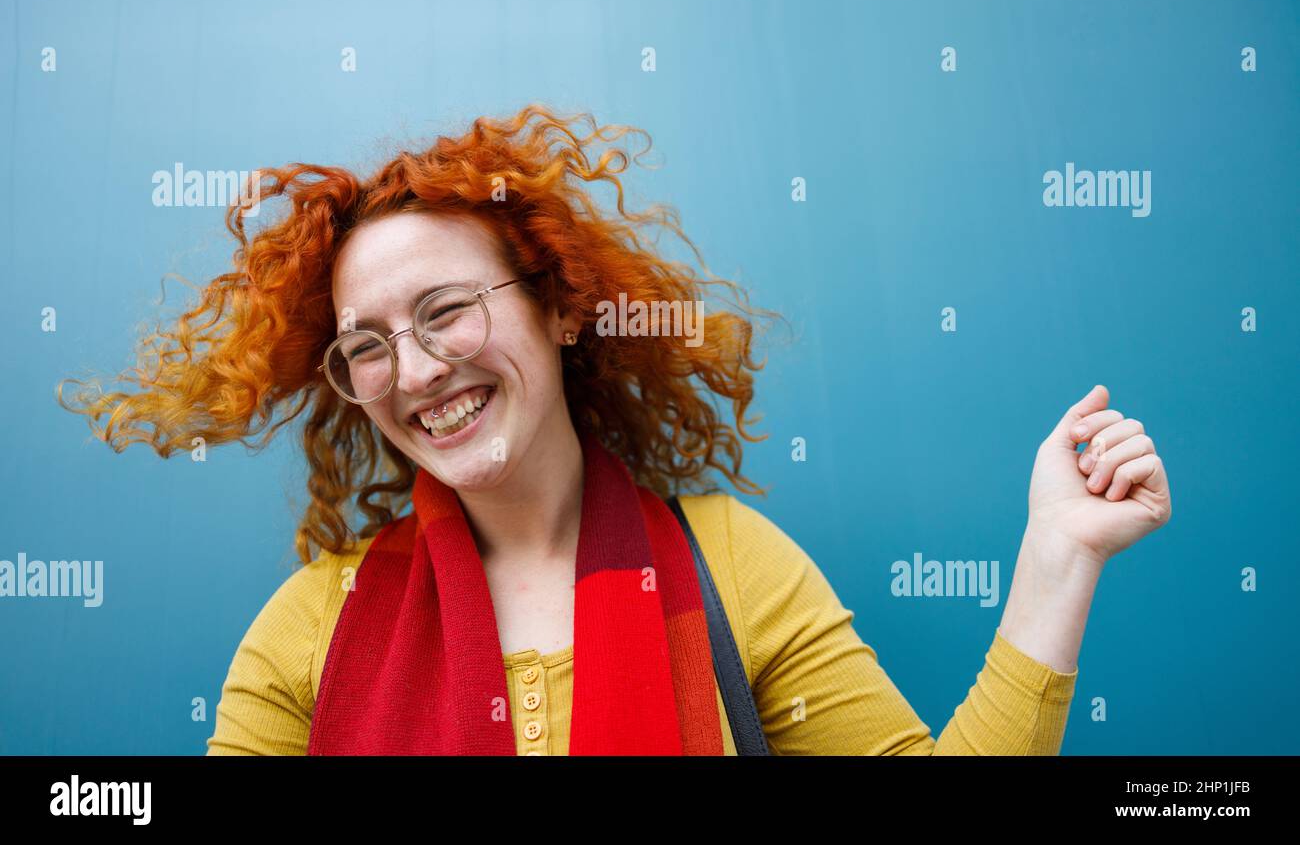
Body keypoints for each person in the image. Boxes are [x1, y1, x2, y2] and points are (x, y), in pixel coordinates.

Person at [58, 104, 1172, 755]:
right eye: (369, 344)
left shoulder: (730, 563)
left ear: (555, 306)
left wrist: (1056, 556)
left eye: (446, 310)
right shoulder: (308, 626)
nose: (416, 369)